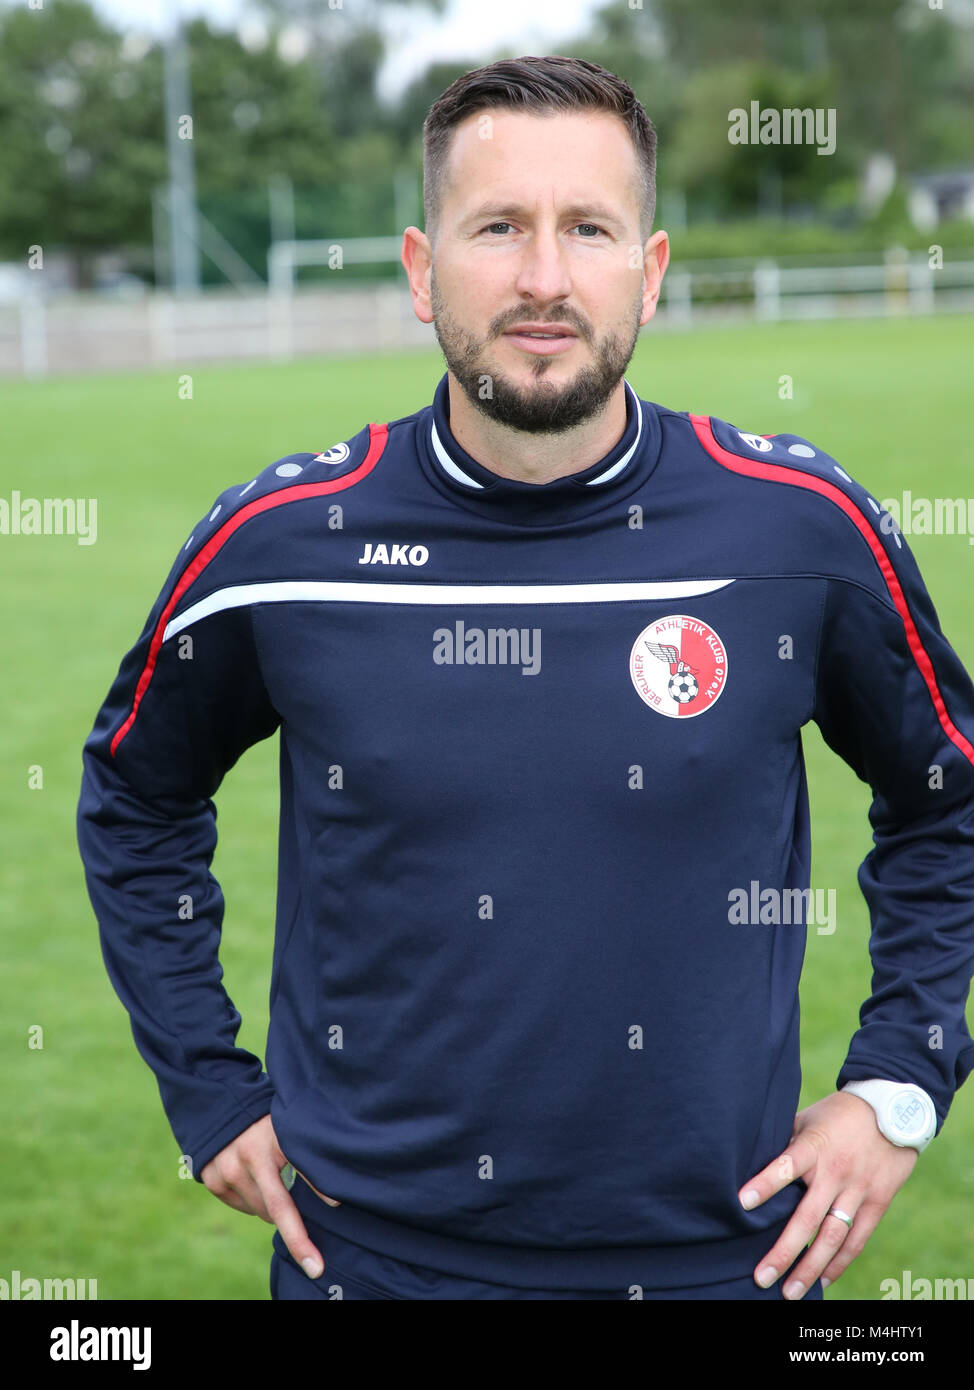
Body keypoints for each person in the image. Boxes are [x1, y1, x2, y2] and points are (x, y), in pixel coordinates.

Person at [77, 54, 974, 1302]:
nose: (542, 277)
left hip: (729, 1264)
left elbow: (949, 800)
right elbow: (135, 795)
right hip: (374, 1266)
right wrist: (205, 1083)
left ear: (648, 272)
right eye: (496, 227)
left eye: (587, 229)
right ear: (418, 265)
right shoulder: (280, 550)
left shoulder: (799, 531)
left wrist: (897, 1083)